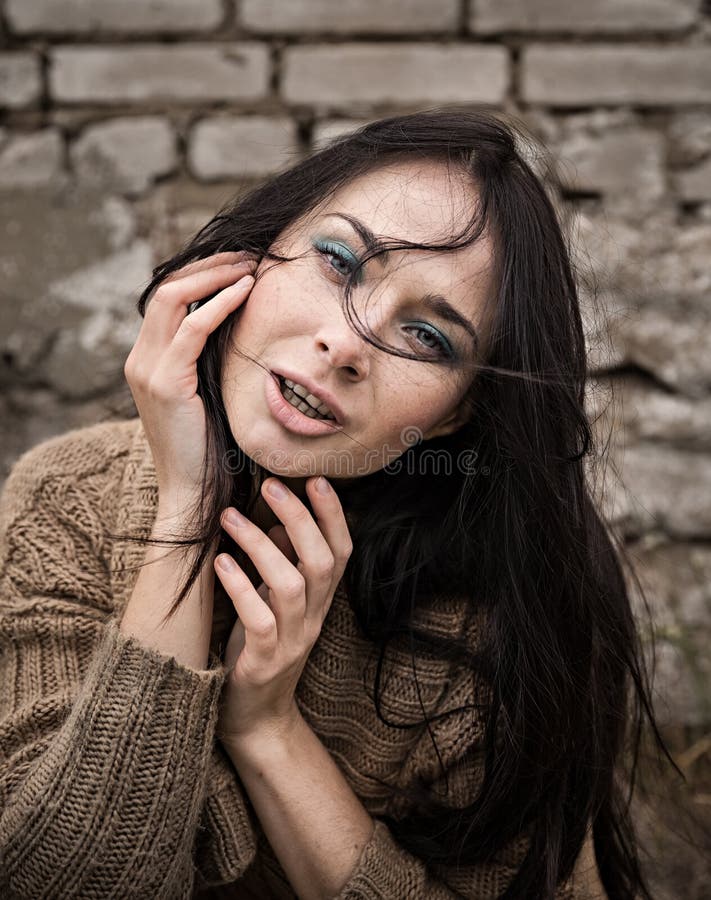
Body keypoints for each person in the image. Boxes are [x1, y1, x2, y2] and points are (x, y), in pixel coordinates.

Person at [0, 108, 661, 899]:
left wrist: (267, 728)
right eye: (340, 261)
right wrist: (184, 509)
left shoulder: (493, 612)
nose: (346, 346)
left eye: (426, 337)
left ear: (454, 413)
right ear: (253, 257)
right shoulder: (68, 499)